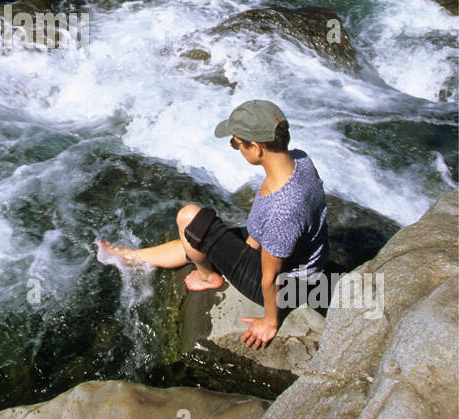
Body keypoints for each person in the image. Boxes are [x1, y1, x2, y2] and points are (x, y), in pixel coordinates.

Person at [97, 99, 330, 349]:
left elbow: (271, 278)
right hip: (296, 259)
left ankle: (208, 278)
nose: (235, 148)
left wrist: (270, 322)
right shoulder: (299, 161)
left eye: (236, 143)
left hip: (286, 286)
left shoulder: (283, 211)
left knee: (190, 218)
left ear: (257, 147)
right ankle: (131, 257)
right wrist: (249, 244)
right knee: (200, 237)